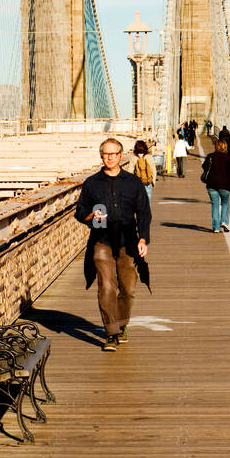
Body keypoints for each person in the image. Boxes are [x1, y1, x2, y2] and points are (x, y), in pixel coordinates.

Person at [76, 138, 151, 351]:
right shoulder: (91, 183)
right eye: (106, 154)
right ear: (102, 156)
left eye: (114, 154)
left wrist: (143, 238)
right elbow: (80, 212)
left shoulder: (133, 182)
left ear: (120, 156)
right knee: (107, 286)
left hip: (128, 239)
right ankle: (111, 332)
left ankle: (122, 323)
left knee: (128, 288)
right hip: (102, 239)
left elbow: (144, 212)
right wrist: (90, 215)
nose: (110, 157)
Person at [201, 136, 230, 232]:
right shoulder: (228, 158)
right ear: (225, 146)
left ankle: (216, 227)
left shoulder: (210, 156)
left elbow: (204, 166)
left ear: (216, 146)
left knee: (215, 205)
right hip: (225, 185)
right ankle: (224, 221)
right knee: (225, 203)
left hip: (212, 184)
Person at [132, 138, 156, 203]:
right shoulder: (149, 157)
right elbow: (153, 170)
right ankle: (147, 212)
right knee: (147, 200)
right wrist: (153, 181)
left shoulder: (134, 158)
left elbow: (130, 172)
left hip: (137, 183)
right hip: (148, 182)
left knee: (138, 201)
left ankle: (139, 213)